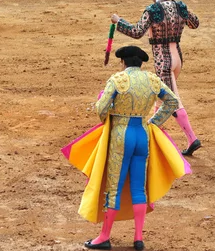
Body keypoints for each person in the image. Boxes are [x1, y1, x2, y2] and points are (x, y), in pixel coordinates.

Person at [63, 46, 184, 250]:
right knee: (138, 188)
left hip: (121, 135)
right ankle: (138, 239)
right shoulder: (153, 80)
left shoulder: (118, 80)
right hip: (142, 134)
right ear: (141, 63)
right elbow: (171, 101)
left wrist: (108, 115)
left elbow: (101, 109)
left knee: (114, 187)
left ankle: (104, 237)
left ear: (123, 62)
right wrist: (154, 122)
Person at [111, 0, 201, 156]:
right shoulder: (180, 7)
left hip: (163, 61)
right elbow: (195, 23)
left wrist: (119, 21)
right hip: (178, 59)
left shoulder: (152, 10)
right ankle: (153, 136)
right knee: (161, 97)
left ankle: (192, 138)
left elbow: (136, 32)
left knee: (172, 100)